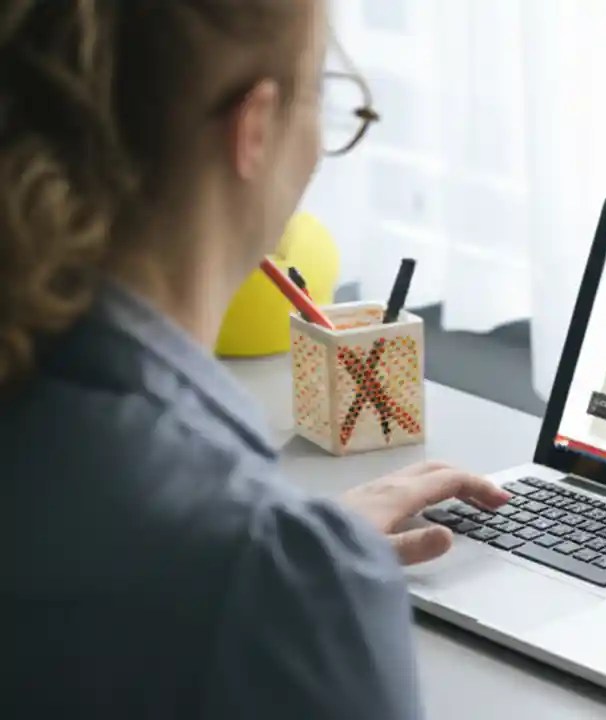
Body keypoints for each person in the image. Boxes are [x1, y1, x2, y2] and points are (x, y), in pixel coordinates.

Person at [0, 2, 507, 717]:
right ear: (257, 128)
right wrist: (293, 566)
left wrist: (287, 542)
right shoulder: (276, 587)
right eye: (325, 95)